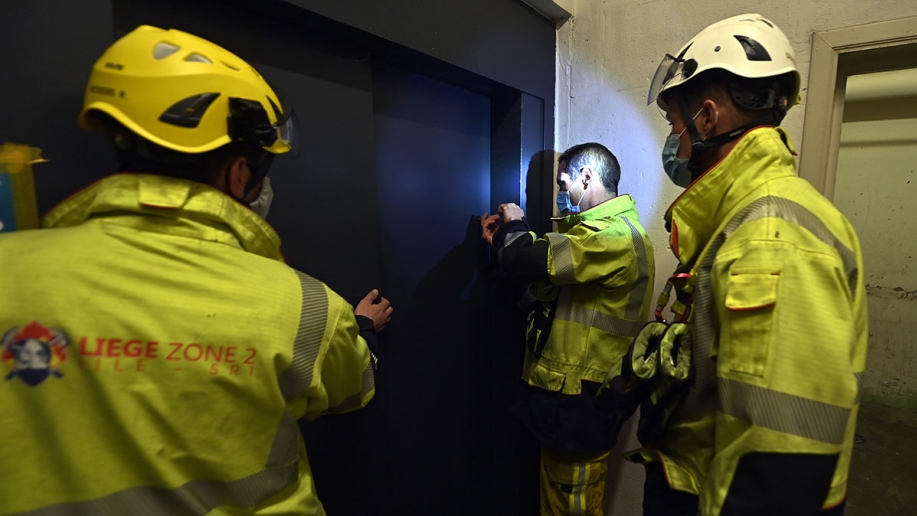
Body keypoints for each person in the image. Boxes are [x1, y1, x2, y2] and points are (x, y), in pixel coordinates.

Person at [0, 25, 392, 515]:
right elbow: (353, 386)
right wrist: (364, 332)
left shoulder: (7, 271)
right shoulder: (305, 306)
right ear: (239, 173)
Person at [629, 13, 868, 516]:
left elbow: (779, 470)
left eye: (676, 124)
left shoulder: (771, 237)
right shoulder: (739, 220)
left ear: (709, 118)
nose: (675, 141)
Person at [481, 143, 655, 515]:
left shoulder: (613, 238)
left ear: (587, 177)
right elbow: (548, 298)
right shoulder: (590, 236)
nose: (561, 195)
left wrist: (513, 224)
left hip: (581, 404)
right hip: (569, 402)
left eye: (563, 184)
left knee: (571, 506)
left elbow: (524, 258)